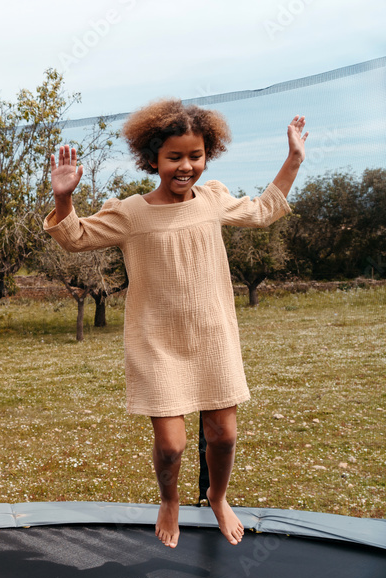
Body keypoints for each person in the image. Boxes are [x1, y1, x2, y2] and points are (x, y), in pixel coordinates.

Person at [44, 98, 307, 548]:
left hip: (213, 339)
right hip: (157, 344)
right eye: (175, 157)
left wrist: (293, 160)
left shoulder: (213, 200)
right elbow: (75, 237)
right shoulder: (130, 213)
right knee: (172, 446)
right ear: (152, 159)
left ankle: (217, 496)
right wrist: (64, 196)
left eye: (196, 155)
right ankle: (169, 500)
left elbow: (264, 209)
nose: (186, 166)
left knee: (223, 436)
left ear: (208, 155)